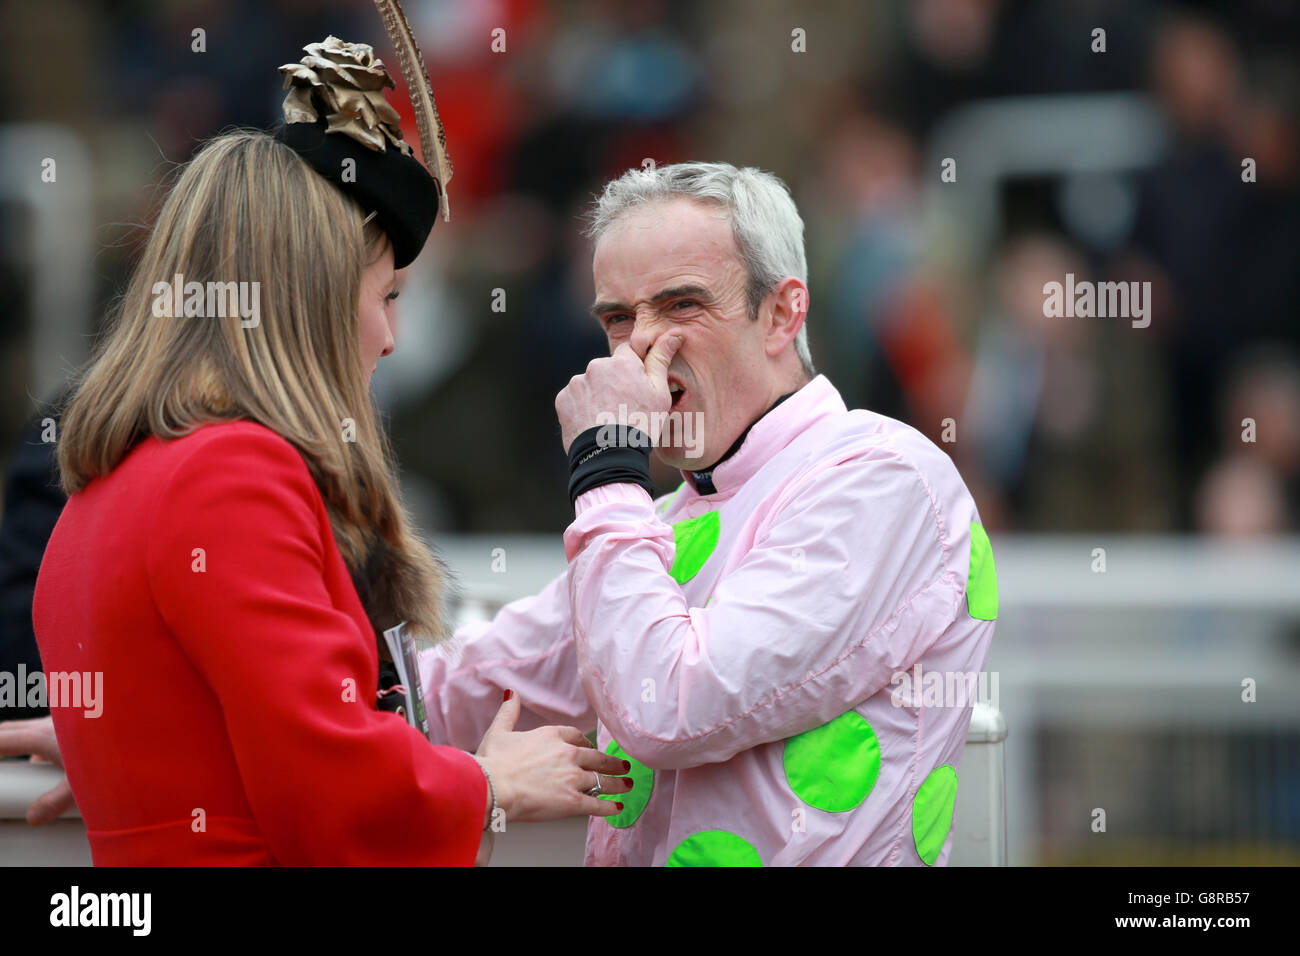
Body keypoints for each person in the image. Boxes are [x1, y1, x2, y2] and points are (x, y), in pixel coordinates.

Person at [29, 35, 629, 866]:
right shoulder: (229, 474)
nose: (389, 338)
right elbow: (334, 791)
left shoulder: (112, 485)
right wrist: (491, 786)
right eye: (385, 295)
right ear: (302, 300)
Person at [419, 162, 998, 866]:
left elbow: (665, 706)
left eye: (681, 305)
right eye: (619, 317)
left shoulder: (885, 476)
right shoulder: (659, 518)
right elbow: (471, 686)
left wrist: (606, 468)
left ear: (783, 313)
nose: (641, 346)